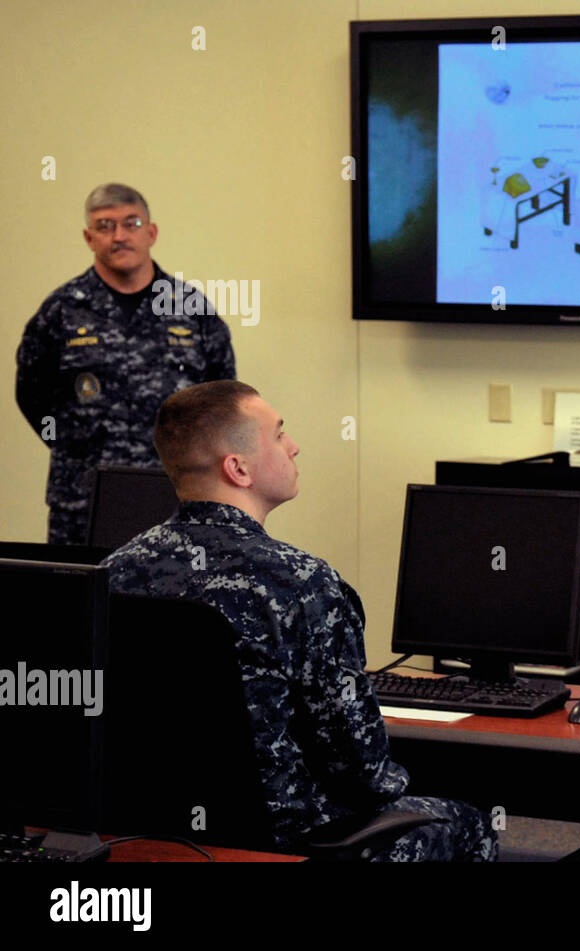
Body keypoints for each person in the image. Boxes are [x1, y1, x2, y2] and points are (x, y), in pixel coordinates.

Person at [101, 380, 497, 861]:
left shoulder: (113, 570)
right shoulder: (303, 583)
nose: (294, 446)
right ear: (238, 468)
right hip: (285, 836)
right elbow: (362, 769)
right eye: (279, 434)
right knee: (469, 820)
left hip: (136, 822)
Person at [16, 183, 236, 545]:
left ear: (151, 233)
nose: (118, 236)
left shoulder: (191, 307)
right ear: (88, 237)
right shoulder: (61, 311)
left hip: (174, 498)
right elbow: (30, 393)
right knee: (79, 601)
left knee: (166, 602)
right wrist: (72, 448)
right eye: (104, 226)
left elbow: (221, 398)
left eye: (131, 223)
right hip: (82, 499)